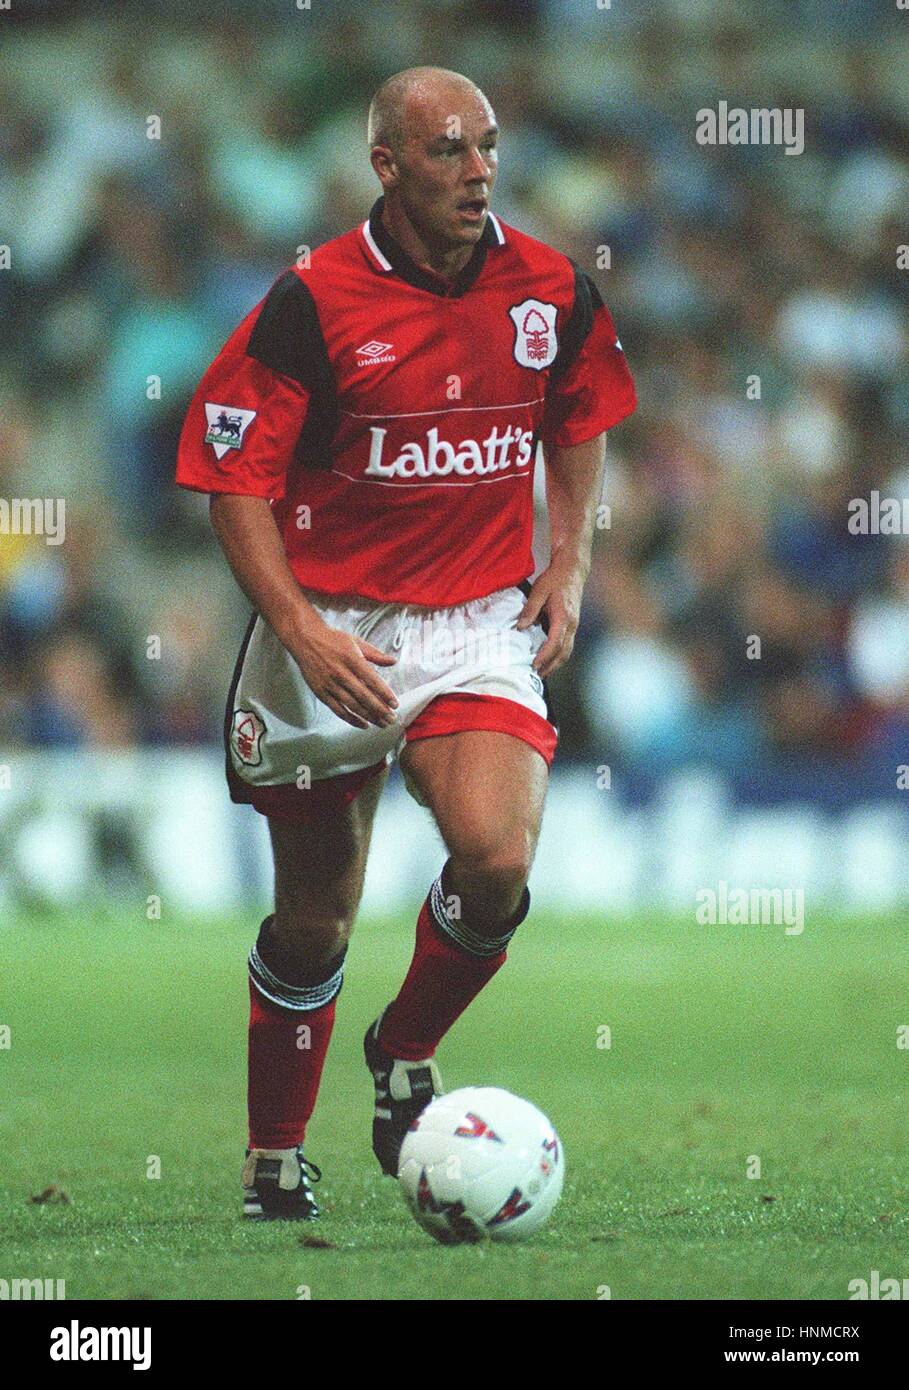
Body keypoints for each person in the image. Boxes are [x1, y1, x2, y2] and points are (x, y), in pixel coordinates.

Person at [176, 66, 635, 1222]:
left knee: (495, 861)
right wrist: (296, 628)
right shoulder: (312, 301)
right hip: (332, 623)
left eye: (488, 146)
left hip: (479, 616)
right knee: (314, 917)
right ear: (386, 166)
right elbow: (234, 481)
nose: (480, 171)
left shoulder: (550, 286)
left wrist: (568, 561)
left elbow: (580, 416)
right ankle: (273, 1161)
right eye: (449, 152)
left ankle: (403, 1043)